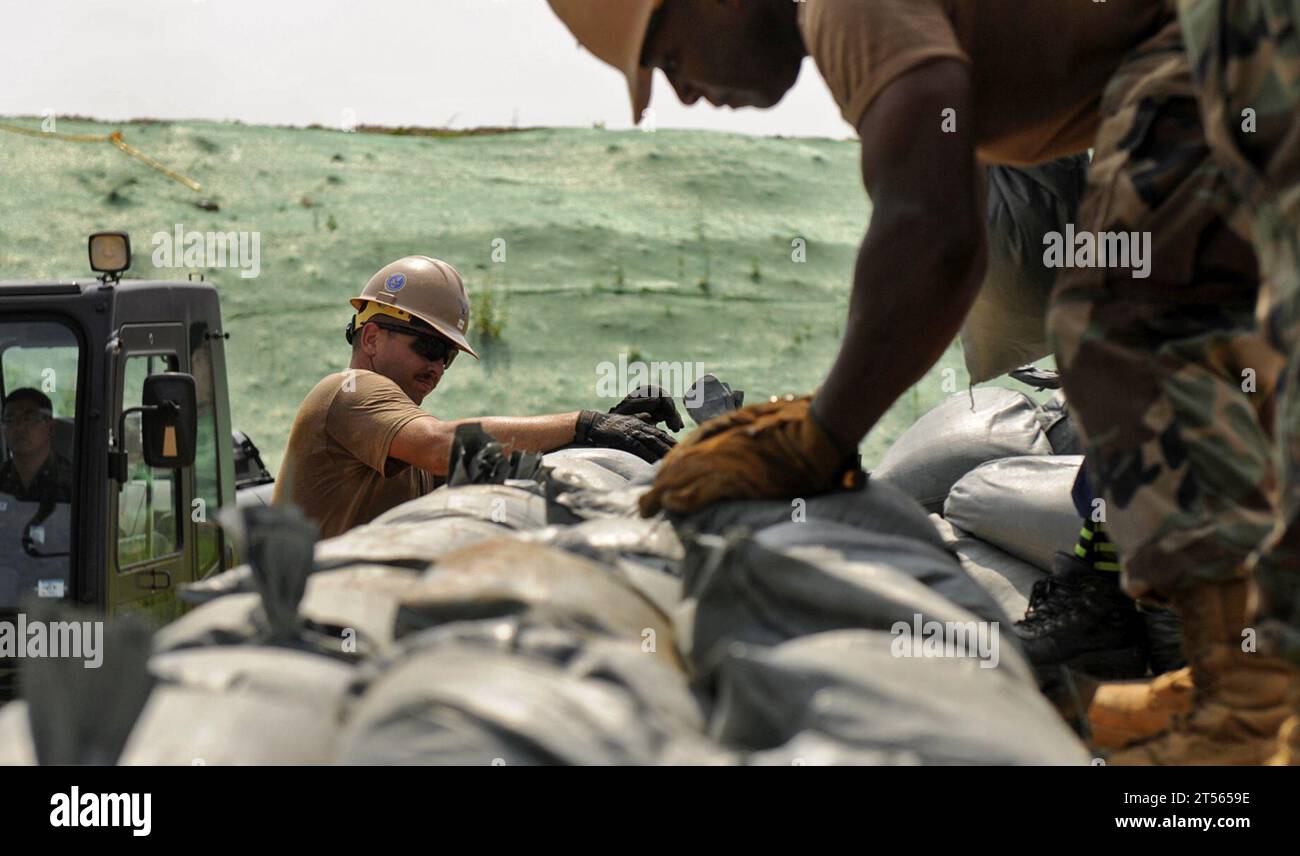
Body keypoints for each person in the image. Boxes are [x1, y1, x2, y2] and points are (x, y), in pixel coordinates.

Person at [274, 256, 678, 538]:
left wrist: (594, 438)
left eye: (447, 357)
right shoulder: (350, 391)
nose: (437, 367)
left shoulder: (396, 438)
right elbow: (440, 445)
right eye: (429, 348)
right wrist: (585, 424)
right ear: (374, 337)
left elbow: (475, 462)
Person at [0, 388, 72, 505]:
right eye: (10, 419)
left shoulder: (73, 482)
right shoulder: (2, 476)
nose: (19, 427)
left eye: (29, 419)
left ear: (51, 428)